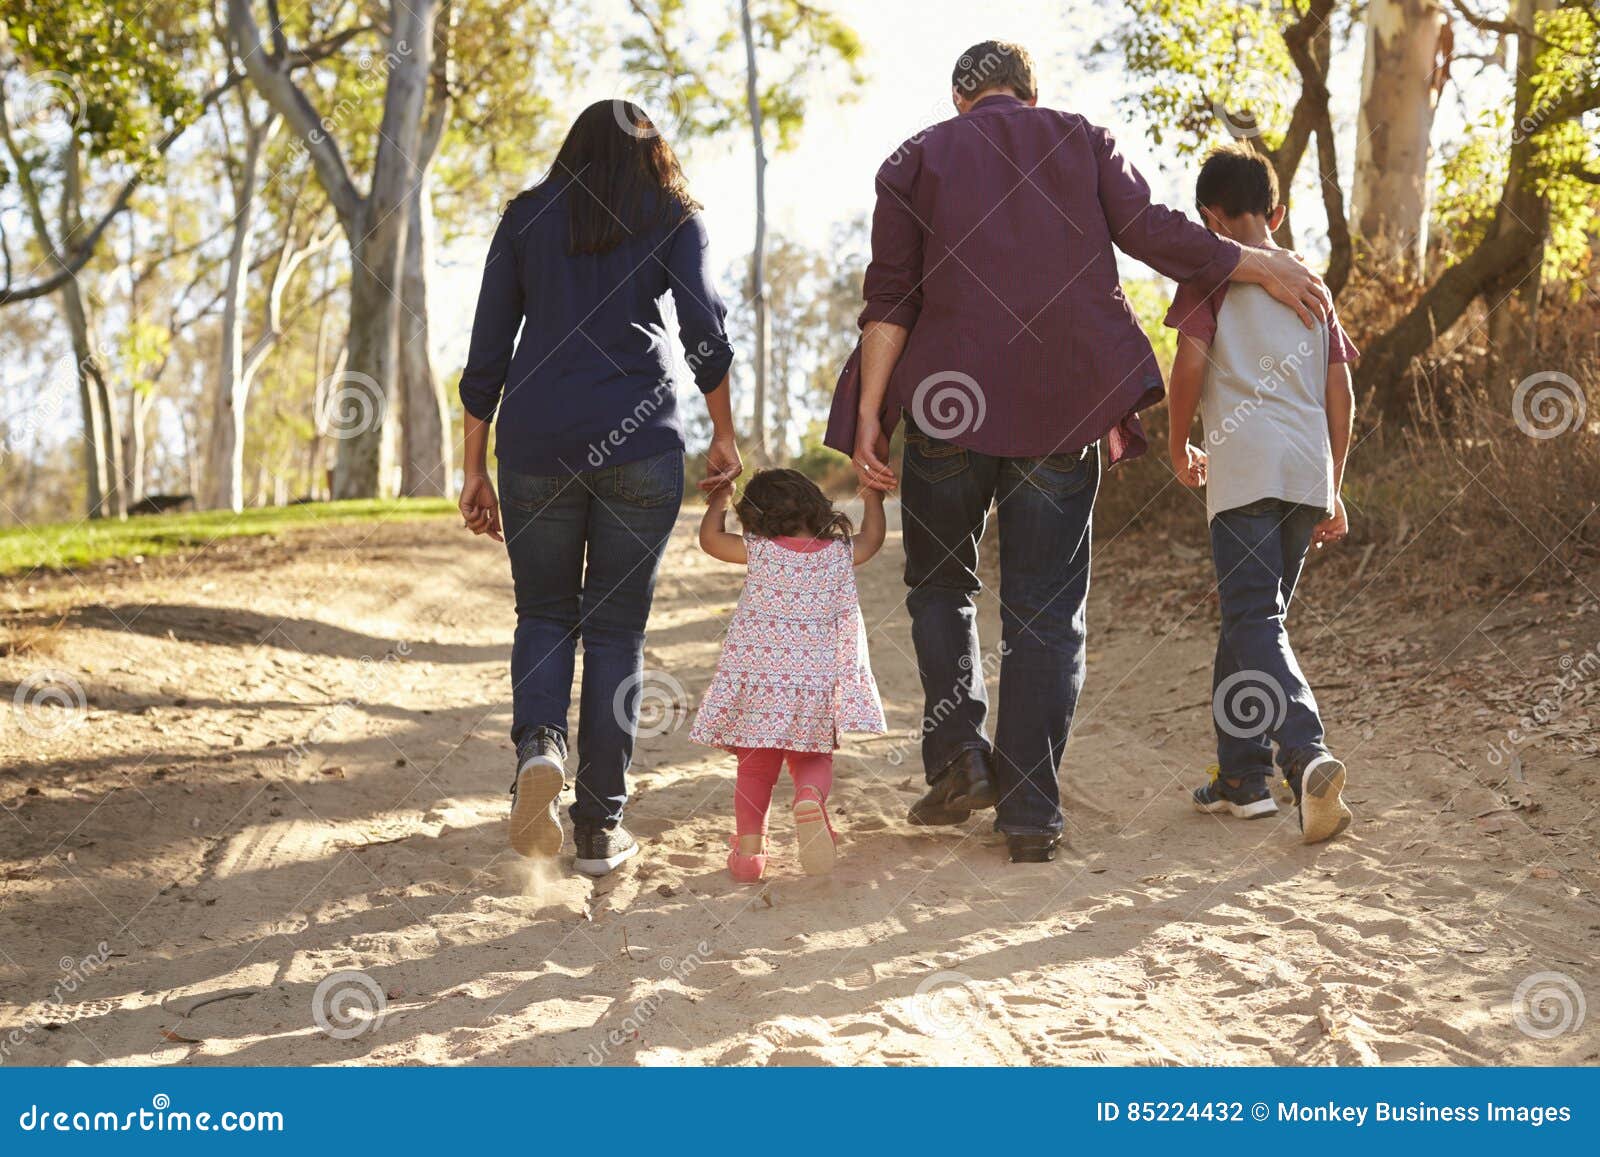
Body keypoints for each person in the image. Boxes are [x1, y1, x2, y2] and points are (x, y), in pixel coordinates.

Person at [831, 39, 1334, 863]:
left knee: (941, 585)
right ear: (1031, 93)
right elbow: (1150, 232)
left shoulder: (916, 157)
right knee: (1044, 612)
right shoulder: (1079, 138)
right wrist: (1251, 263)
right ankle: (1031, 811)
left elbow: (888, 301)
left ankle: (960, 751)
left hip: (943, 408)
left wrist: (867, 421)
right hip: (1063, 408)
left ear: (963, 99)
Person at [457, 99, 742, 877]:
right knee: (616, 631)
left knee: (545, 611)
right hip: (640, 442)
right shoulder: (674, 216)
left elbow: (488, 349)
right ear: (652, 150)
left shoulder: (525, 216)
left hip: (537, 442)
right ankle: (597, 829)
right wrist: (723, 431)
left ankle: (539, 748)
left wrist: (474, 463)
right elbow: (705, 330)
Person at [1165, 145, 1356, 844]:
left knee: (1254, 618)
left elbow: (1189, 362)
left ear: (1208, 218)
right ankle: (1242, 777)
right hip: (1306, 471)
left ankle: (1305, 753)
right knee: (1252, 619)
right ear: (1277, 212)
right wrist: (1334, 481)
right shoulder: (1315, 286)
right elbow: (1342, 391)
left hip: (1244, 469)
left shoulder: (1210, 272)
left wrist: (1177, 441)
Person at [691, 470, 888, 883]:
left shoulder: (760, 550)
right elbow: (871, 541)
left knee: (755, 767)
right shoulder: (837, 553)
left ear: (756, 517)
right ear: (815, 506)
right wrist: (873, 499)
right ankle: (809, 798)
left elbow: (710, 540)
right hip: (815, 681)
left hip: (760, 681)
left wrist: (720, 498)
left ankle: (749, 854)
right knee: (812, 756)